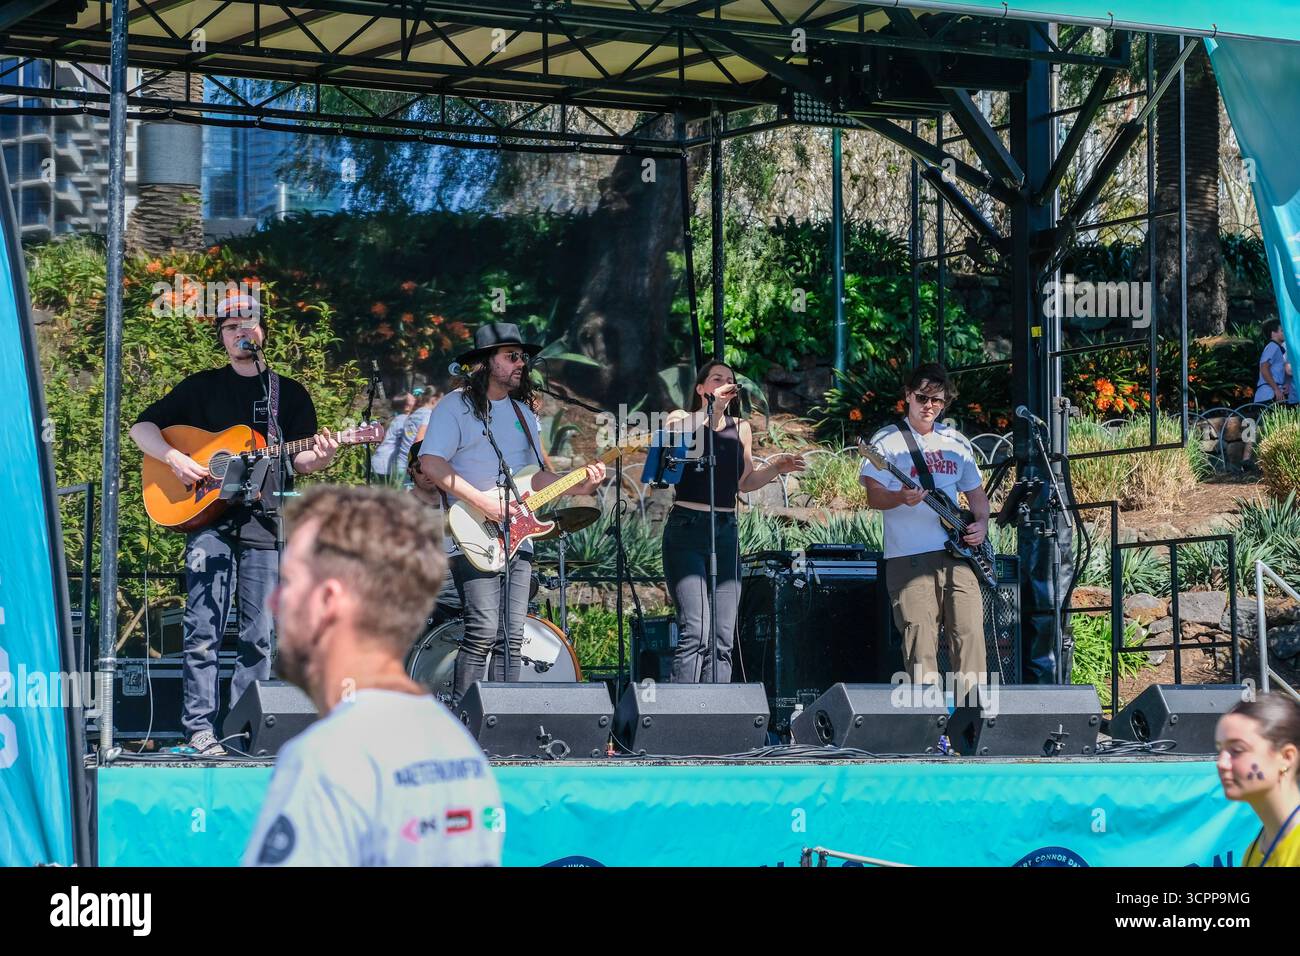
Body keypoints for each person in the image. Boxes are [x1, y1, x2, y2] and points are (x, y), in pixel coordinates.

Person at [242, 485, 503, 867]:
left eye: (290, 582)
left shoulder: (326, 759)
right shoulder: (459, 747)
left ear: (329, 601)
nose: (274, 601)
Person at [129, 294, 340, 755]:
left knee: (258, 633)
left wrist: (321, 456)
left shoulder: (289, 393)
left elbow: (300, 460)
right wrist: (176, 460)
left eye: (250, 323)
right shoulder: (201, 387)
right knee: (203, 626)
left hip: (265, 524)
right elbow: (140, 428)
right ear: (222, 338)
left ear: (262, 332)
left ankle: (244, 730)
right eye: (231, 326)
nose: (241, 331)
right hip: (208, 522)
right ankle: (199, 730)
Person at [418, 322, 605, 708]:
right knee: (482, 631)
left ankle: (502, 720)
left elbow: (535, 477)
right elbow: (432, 463)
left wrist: (578, 484)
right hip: (474, 533)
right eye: (512, 356)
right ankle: (465, 722)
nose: (522, 363)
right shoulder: (455, 407)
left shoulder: (523, 414)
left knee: (512, 636)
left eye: (523, 356)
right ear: (487, 362)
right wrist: (486, 504)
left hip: (519, 536)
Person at [663, 360, 805, 684]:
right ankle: (678, 718)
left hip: (725, 529)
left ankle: (716, 719)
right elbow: (677, 442)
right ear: (701, 388)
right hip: (687, 526)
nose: (726, 383)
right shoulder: (681, 419)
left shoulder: (740, 427)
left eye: (730, 380)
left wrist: (776, 469)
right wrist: (713, 408)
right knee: (696, 631)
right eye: (717, 379)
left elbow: (745, 482)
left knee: (723, 637)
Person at [858, 362, 990, 699]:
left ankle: (973, 719)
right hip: (909, 557)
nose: (929, 406)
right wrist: (900, 496)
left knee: (971, 634)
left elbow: (976, 495)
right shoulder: (886, 441)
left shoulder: (956, 441)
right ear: (907, 397)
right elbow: (873, 495)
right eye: (922, 398)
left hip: (959, 556)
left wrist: (980, 526)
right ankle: (929, 724)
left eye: (937, 401)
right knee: (920, 641)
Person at [1216, 692, 1300, 867]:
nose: (1221, 763)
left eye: (1237, 750)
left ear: (1286, 757)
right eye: (1220, 749)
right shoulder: (1255, 849)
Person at [394, 386, 443, 485]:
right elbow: (419, 440)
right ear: (434, 400)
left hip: (401, 462)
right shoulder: (428, 414)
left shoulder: (414, 414)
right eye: (441, 402)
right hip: (414, 465)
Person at [371, 392, 413, 478]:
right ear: (407, 407)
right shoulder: (405, 421)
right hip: (386, 467)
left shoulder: (396, 419)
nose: (417, 400)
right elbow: (410, 442)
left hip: (378, 464)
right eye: (413, 399)